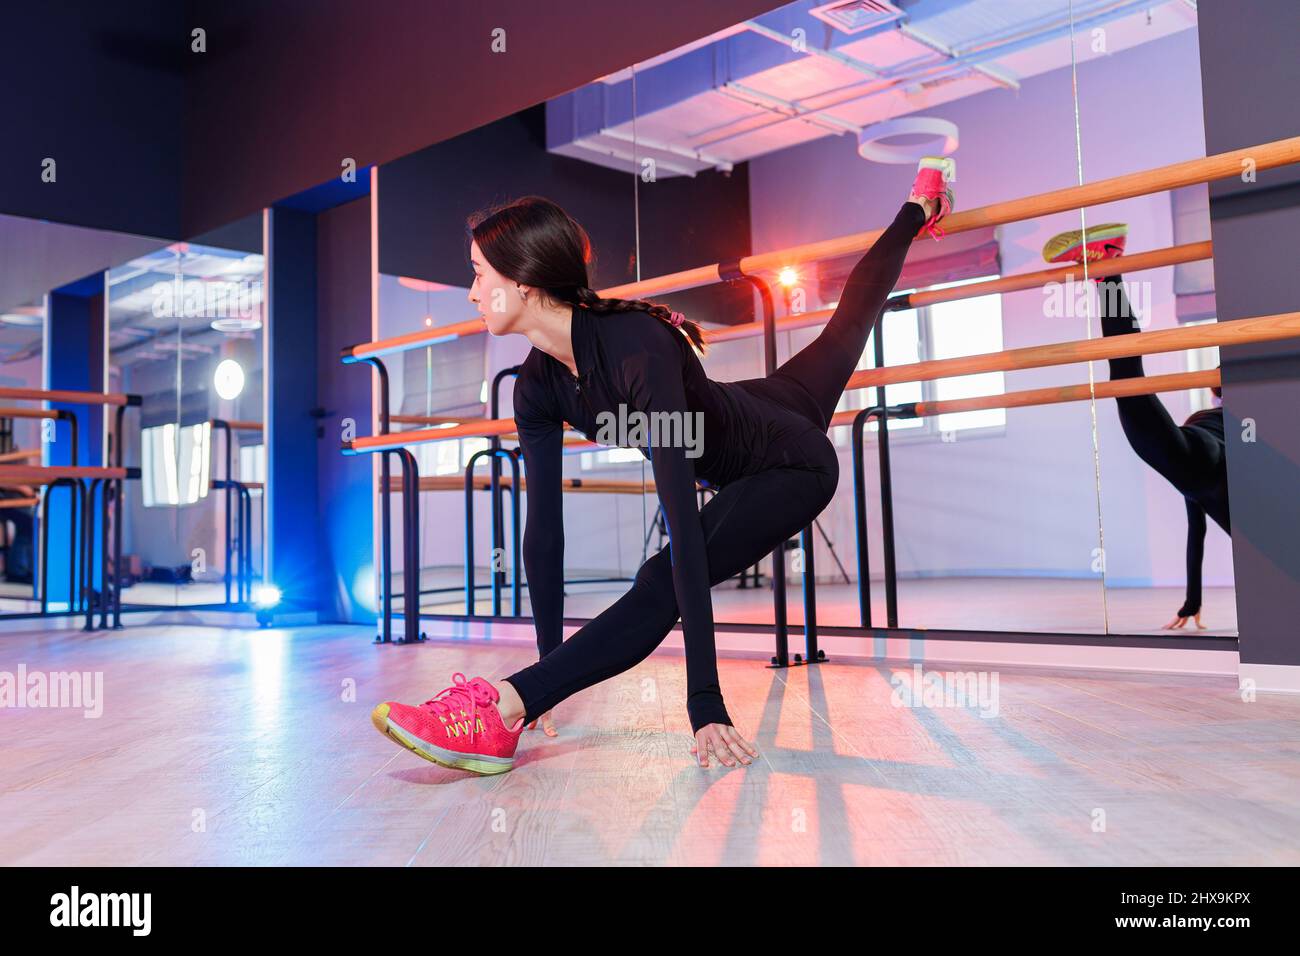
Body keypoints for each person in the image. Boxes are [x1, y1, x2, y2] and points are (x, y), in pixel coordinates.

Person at [372, 157, 956, 774]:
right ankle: (923, 204)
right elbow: (543, 536)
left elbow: (683, 534)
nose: (470, 291)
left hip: (789, 462)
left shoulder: (638, 350)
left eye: (476, 273)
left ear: (521, 280)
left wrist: (704, 700)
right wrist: (554, 673)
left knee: (661, 574)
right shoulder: (535, 387)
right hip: (762, 402)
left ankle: (501, 708)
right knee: (851, 320)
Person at [1044, 224, 1229, 630]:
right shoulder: (1235, 430)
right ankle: (1108, 266)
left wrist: (1191, 600)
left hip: (1197, 451)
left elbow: (1195, 528)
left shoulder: (1219, 425)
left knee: (1125, 372)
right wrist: (1191, 600)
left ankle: (1108, 267)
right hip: (1199, 456)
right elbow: (1196, 527)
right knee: (1124, 373)